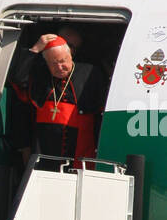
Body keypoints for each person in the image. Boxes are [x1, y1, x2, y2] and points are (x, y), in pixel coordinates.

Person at [8, 33, 108, 169]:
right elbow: (19, 80)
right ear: (46, 63)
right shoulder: (41, 75)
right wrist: (35, 50)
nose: (60, 67)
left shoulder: (90, 73)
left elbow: (102, 111)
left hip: (81, 152)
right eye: (54, 64)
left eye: (63, 61)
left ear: (71, 55)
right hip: (44, 152)